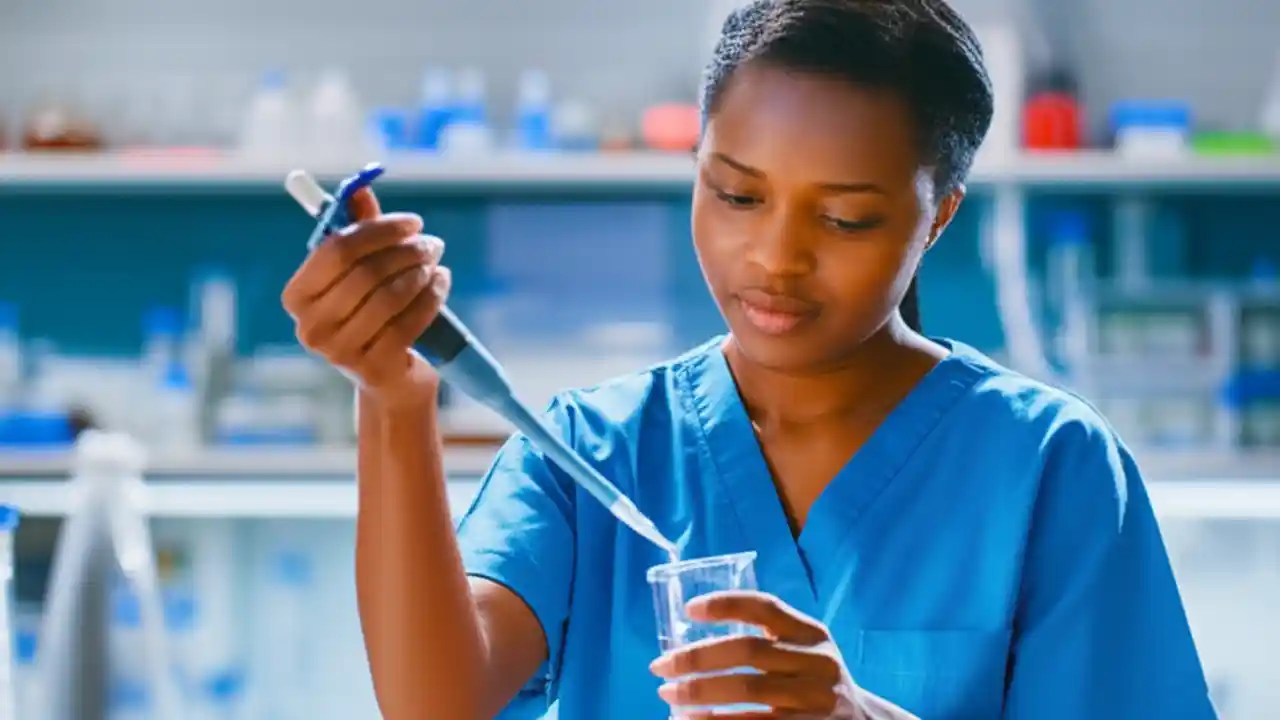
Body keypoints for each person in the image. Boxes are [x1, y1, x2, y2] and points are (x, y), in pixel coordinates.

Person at [281, 0, 1216, 717]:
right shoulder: (594, 451)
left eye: (846, 218)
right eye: (735, 196)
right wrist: (395, 399)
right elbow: (436, 702)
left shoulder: (1047, 467)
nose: (775, 258)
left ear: (938, 217)